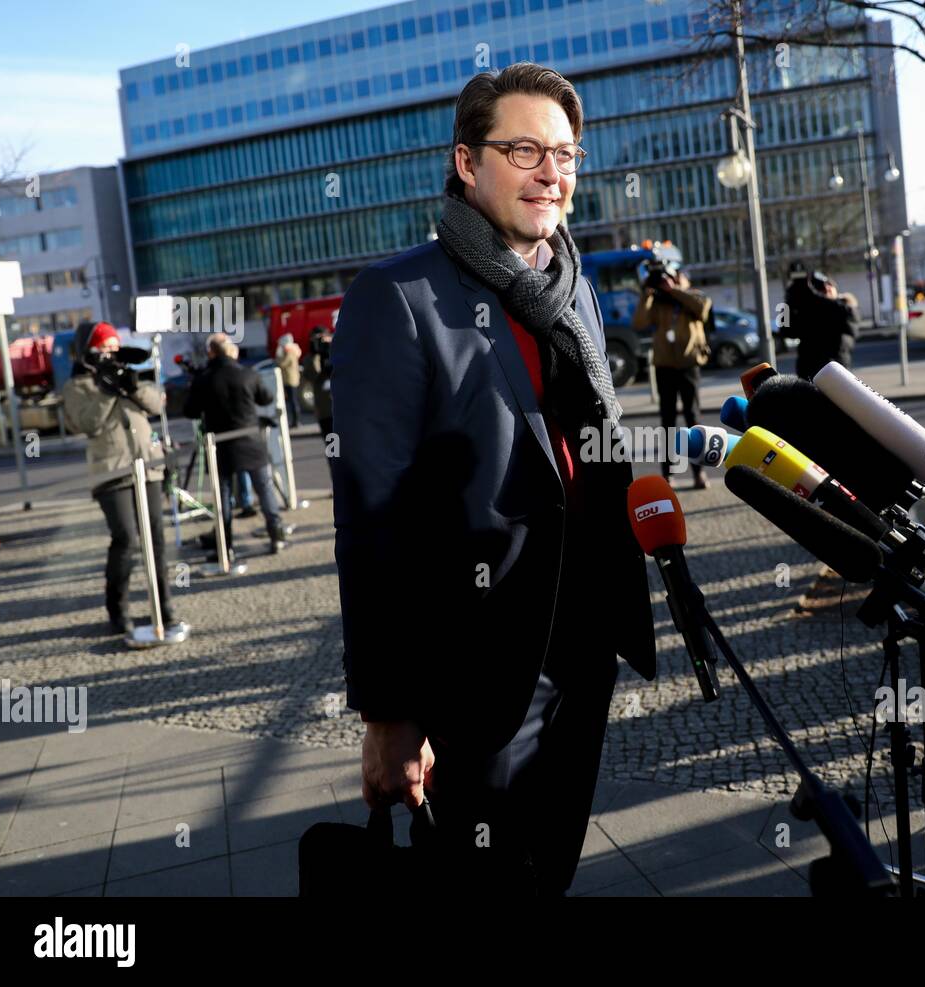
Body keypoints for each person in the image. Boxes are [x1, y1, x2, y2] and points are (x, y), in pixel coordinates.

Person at [331, 62, 656, 896]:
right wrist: (389, 713)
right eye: (523, 150)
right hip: (475, 680)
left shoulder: (571, 288)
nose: (552, 173)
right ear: (467, 163)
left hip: (583, 650)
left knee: (549, 871)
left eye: (566, 154)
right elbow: (371, 521)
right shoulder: (397, 297)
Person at [61, 321, 184, 635]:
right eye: (105, 348)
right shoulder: (77, 386)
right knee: (126, 539)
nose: (111, 353)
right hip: (111, 472)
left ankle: (164, 603)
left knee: (155, 539)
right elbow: (88, 424)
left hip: (149, 468)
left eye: (114, 347)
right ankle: (118, 608)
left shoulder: (128, 373)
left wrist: (130, 384)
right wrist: (106, 391)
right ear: (90, 350)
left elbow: (157, 404)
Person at [182, 333, 289, 557]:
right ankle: (276, 533)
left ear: (211, 352)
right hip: (251, 440)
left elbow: (190, 411)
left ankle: (226, 544)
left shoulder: (204, 378)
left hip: (220, 445)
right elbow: (266, 398)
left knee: (224, 497)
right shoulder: (248, 374)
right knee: (264, 488)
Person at [634, 261, 712, 488]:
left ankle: (699, 473)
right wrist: (646, 294)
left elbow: (703, 309)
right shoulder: (657, 302)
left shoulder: (691, 296)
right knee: (667, 420)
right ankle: (668, 474)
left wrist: (674, 290)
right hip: (665, 367)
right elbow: (638, 323)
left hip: (689, 365)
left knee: (692, 418)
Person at [784, 261, 858, 380]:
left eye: (829, 285)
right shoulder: (810, 309)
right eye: (822, 288)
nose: (826, 289)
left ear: (835, 289)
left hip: (835, 373)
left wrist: (813, 296)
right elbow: (785, 330)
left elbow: (845, 340)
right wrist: (788, 303)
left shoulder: (846, 306)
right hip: (808, 372)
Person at [302, 325, 333, 441]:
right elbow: (313, 376)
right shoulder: (311, 358)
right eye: (317, 339)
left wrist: (331, 348)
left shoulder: (338, 352)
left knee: (350, 451)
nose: (320, 342)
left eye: (322, 338)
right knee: (333, 452)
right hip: (325, 412)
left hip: (343, 411)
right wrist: (315, 354)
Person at [275, 332, 303, 428]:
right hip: (291, 379)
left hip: (290, 380)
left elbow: (282, 363)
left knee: (293, 401)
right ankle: (295, 421)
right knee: (293, 401)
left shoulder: (290, 352)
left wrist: (278, 355)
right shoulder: (292, 351)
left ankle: (296, 422)